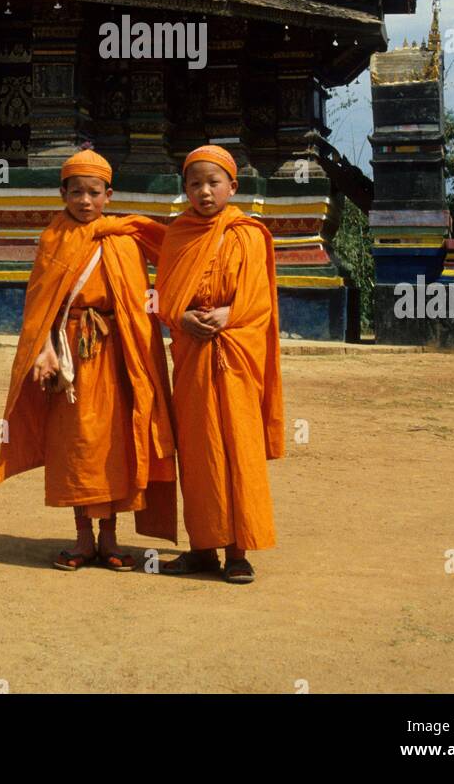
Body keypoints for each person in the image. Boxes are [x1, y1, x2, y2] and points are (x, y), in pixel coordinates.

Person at [0, 149, 177, 570]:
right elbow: (40, 306)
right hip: (70, 355)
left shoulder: (124, 239)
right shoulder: (52, 240)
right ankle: (81, 539)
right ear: (62, 192)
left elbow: (152, 290)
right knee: (75, 444)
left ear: (108, 195)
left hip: (119, 355)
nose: (84, 201)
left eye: (93, 192)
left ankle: (110, 539)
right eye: (75, 192)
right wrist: (44, 352)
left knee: (115, 443)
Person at [154, 145, 284, 584]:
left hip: (235, 356)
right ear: (185, 189)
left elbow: (260, 301)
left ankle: (238, 551)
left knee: (237, 448)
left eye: (213, 183)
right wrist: (183, 316)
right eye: (195, 183)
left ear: (234, 186)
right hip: (192, 356)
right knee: (198, 450)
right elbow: (166, 296)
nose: (204, 192)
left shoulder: (247, 233)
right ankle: (203, 548)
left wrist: (231, 315)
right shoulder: (177, 234)